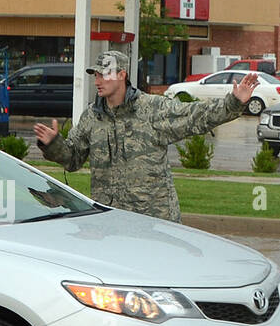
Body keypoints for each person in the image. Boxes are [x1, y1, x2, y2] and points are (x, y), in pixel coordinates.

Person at [34, 50, 258, 223]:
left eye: (104, 74)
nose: (98, 81)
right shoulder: (92, 117)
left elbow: (196, 116)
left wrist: (234, 102)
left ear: (122, 75)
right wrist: (53, 144)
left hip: (154, 220)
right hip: (110, 221)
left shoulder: (152, 109)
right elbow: (72, 159)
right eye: (96, 75)